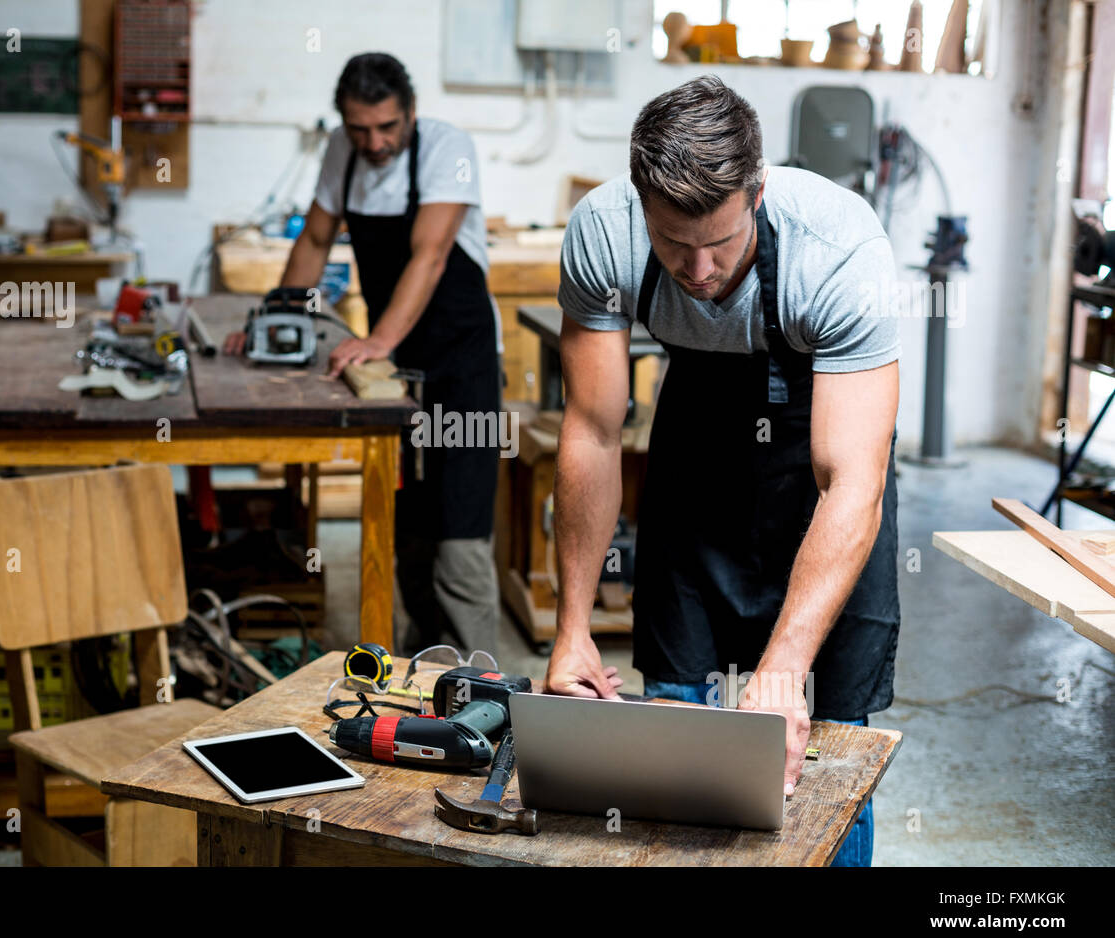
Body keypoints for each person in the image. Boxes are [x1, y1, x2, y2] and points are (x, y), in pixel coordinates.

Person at [544, 76, 900, 866]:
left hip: (824, 475)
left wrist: (780, 674)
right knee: (680, 734)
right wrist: (572, 629)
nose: (701, 271)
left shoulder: (840, 251)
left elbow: (854, 482)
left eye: (723, 243)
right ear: (641, 207)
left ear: (759, 193)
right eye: (675, 245)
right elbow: (596, 433)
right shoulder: (603, 235)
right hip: (696, 462)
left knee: (828, 747)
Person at [224, 53, 500, 658]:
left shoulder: (446, 147)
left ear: (411, 113)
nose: (374, 142)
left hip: (463, 366)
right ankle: (425, 671)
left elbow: (429, 256)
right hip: (396, 375)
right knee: (409, 526)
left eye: (387, 127)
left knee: (460, 533)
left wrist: (378, 340)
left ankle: (488, 693)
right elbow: (316, 239)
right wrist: (276, 320)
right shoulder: (342, 153)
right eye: (360, 129)